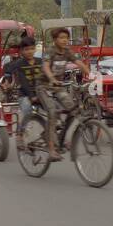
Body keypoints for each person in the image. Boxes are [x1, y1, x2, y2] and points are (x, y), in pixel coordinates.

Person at [39, 28, 90, 161]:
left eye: (66, 37)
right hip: (44, 87)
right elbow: (45, 66)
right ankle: (51, 149)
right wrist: (51, 78)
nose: (64, 40)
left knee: (73, 109)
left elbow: (78, 62)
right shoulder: (50, 51)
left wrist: (89, 73)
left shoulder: (67, 51)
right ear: (55, 40)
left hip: (58, 87)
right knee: (52, 112)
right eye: (61, 37)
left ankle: (60, 139)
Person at [2, 36, 43, 122]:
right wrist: (7, 83)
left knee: (52, 108)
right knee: (27, 113)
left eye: (32, 49)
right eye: (27, 49)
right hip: (24, 94)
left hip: (40, 92)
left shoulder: (40, 62)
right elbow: (22, 82)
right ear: (22, 51)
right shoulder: (18, 64)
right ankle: (22, 132)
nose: (29, 51)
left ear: (35, 49)